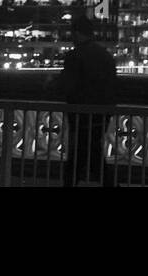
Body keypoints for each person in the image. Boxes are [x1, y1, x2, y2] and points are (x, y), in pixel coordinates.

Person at [53, 13, 117, 187]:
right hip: (102, 113)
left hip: (80, 114)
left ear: (76, 33)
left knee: (81, 155)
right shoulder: (105, 55)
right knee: (91, 152)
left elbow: (66, 85)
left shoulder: (75, 56)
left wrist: (51, 83)